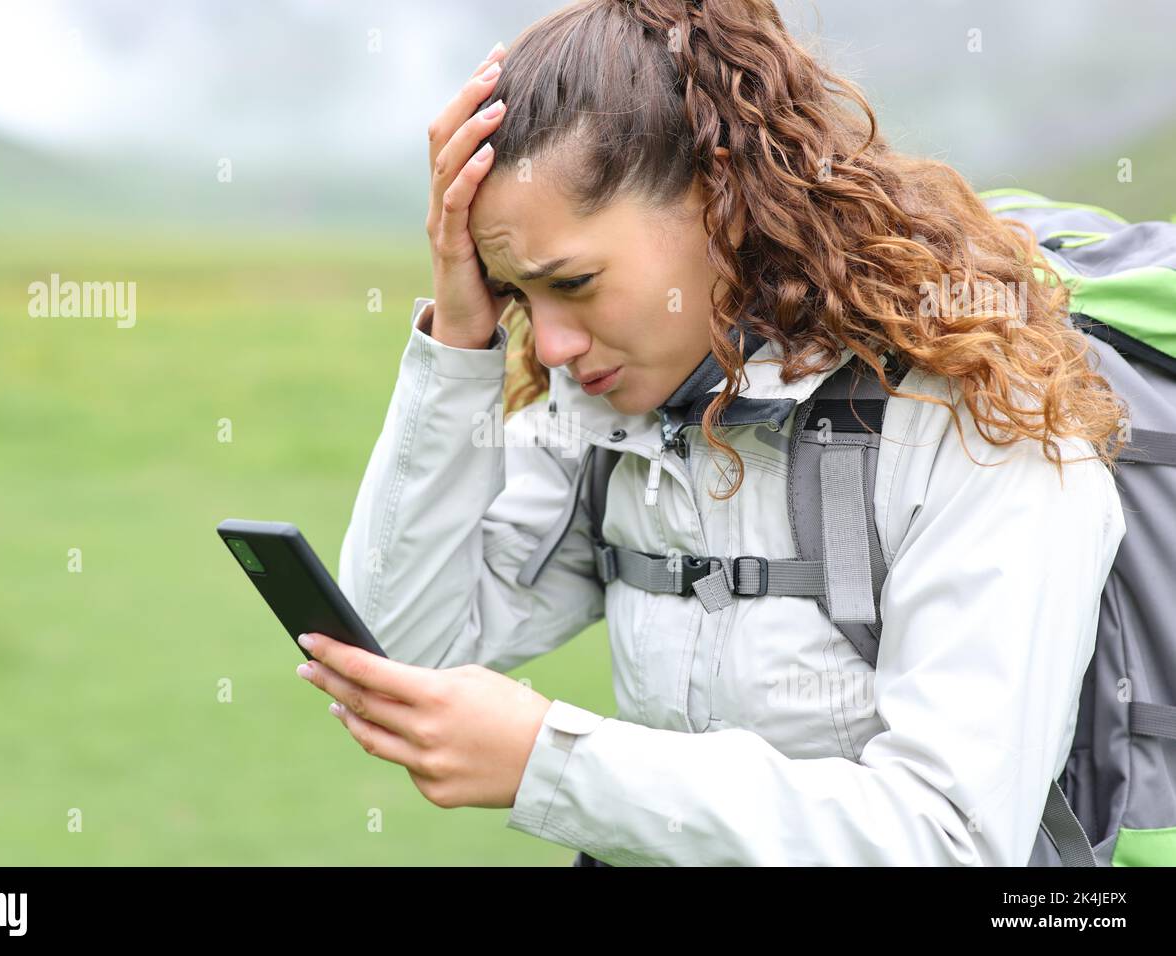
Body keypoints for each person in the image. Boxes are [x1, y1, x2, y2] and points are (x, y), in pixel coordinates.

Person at [300, 0, 1128, 866]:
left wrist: (557, 762)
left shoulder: (990, 421)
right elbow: (398, 654)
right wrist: (458, 335)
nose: (547, 347)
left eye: (574, 283)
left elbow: (952, 841)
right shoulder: (610, 417)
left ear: (719, 196)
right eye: (517, 297)